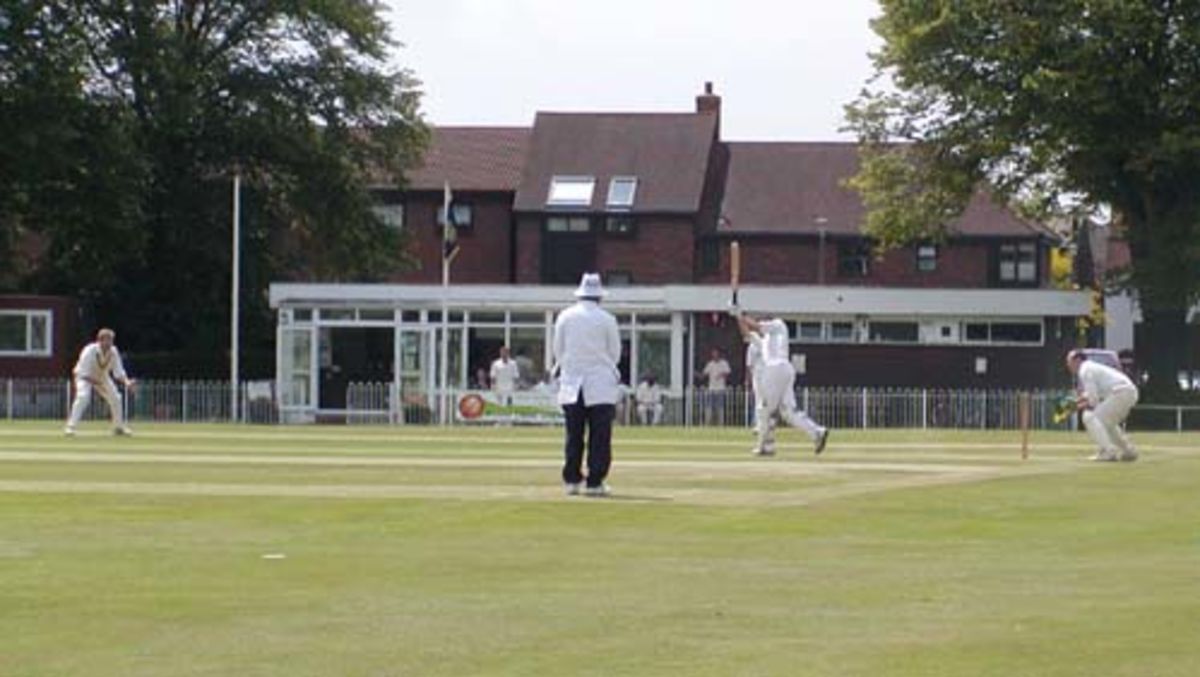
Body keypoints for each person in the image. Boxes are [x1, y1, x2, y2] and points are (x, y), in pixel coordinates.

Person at [552, 272, 621, 497]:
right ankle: (595, 482)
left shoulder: (565, 316)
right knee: (600, 437)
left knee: (574, 435)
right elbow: (615, 353)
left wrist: (571, 365)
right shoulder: (607, 319)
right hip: (601, 384)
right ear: (599, 296)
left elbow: (558, 350)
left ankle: (572, 480)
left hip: (572, 383)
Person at [733, 310, 829, 456]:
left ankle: (763, 447)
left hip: (776, 368)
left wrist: (743, 315)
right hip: (784, 371)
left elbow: (756, 326)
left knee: (764, 409)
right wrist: (737, 316)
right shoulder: (764, 341)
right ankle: (817, 432)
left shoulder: (778, 325)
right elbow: (746, 334)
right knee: (788, 412)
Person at [1065, 348, 1139, 462]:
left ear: (1077, 360)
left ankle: (1108, 452)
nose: (1068, 365)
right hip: (1127, 392)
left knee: (1089, 416)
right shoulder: (1091, 368)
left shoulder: (1085, 370)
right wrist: (1074, 403)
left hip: (1120, 392)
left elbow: (1093, 401)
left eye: (1069, 361)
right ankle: (1128, 450)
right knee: (1107, 423)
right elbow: (1092, 395)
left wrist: (1073, 407)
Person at [64, 328, 136, 436]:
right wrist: (96, 382)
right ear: (100, 340)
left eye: (111, 340)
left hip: (102, 377)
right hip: (84, 377)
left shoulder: (113, 351)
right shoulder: (89, 350)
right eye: (107, 340)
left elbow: (119, 372)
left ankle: (118, 428)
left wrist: (127, 382)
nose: (109, 343)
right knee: (83, 396)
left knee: (116, 398)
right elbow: (82, 372)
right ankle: (70, 427)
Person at [700, 347, 731, 425]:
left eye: (716, 353)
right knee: (709, 406)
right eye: (713, 353)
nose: (714, 355)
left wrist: (721, 375)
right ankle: (708, 423)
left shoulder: (724, 363)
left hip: (720, 388)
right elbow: (704, 374)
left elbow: (727, 372)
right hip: (711, 388)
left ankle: (720, 423)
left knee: (719, 407)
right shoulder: (710, 364)